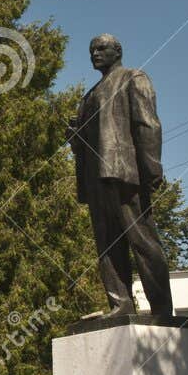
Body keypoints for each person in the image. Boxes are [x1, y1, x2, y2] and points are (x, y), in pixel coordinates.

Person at [68, 33, 174, 318]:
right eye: (91, 50)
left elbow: (147, 124)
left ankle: (162, 309)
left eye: (101, 48)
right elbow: (87, 141)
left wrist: (151, 168)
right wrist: (75, 137)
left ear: (118, 51)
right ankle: (121, 304)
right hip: (95, 178)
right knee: (107, 245)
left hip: (124, 174)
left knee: (143, 241)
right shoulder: (88, 96)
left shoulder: (133, 78)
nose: (95, 53)